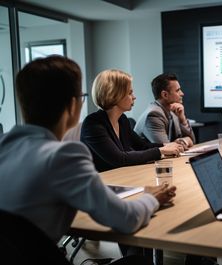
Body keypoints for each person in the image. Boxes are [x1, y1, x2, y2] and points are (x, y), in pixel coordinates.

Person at [0, 56, 177, 264]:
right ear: (74, 105)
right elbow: (126, 220)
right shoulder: (63, 156)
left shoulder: (4, 146)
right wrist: (153, 198)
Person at [81, 69, 183, 172]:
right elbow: (120, 159)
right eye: (130, 93)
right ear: (114, 95)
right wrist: (161, 150)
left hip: (119, 179)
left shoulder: (122, 120)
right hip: (98, 184)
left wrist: (167, 146)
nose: (134, 97)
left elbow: (142, 146)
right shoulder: (92, 124)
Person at [134, 73, 195, 149]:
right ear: (165, 95)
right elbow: (168, 149)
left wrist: (182, 119)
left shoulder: (173, 111)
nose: (182, 93)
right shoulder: (153, 114)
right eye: (177, 90)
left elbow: (192, 140)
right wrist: (185, 141)